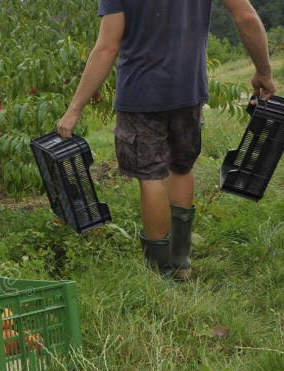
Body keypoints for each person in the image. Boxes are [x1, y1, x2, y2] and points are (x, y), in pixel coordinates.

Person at [58, 0, 276, 280]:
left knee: (150, 176)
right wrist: (264, 72)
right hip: (188, 90)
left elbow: (107, 47)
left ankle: (159, 271)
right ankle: (181, 263)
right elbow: (245, 17)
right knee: (181, 168)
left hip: (140, 94)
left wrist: (74, 108)